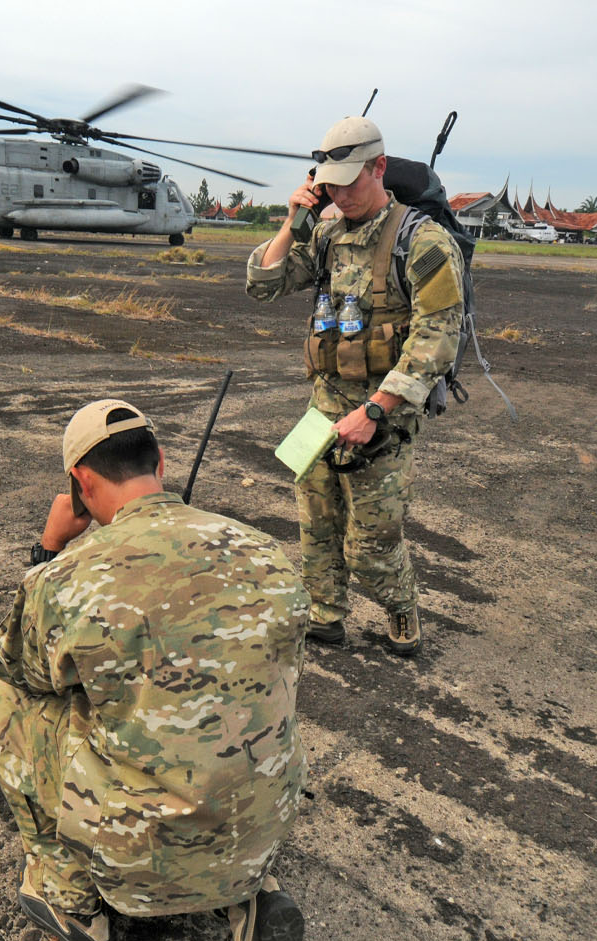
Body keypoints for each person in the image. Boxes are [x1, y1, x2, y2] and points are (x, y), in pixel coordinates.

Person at [0, 398, 310, 941]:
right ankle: (251, 893)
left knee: (3, 704)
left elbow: (18, 668)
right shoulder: (268, 552)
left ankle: (70, 899)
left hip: (137, 860)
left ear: (79, 484)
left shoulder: (68, 580)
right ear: (161, 460)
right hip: (259, 824)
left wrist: (47, 552)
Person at [244, 115, 464, 655]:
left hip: (382, 413)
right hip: (321, 406)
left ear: (379, 168)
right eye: (330, 182)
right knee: (315, 525)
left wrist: (375, 410)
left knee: (372, 539)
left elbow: (437, 338)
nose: (338, 192)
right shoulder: (324, 231)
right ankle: (324, 614)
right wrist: (293, 218)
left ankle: (400, 610)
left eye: (349, 180)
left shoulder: (423, 239)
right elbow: (262, 286)